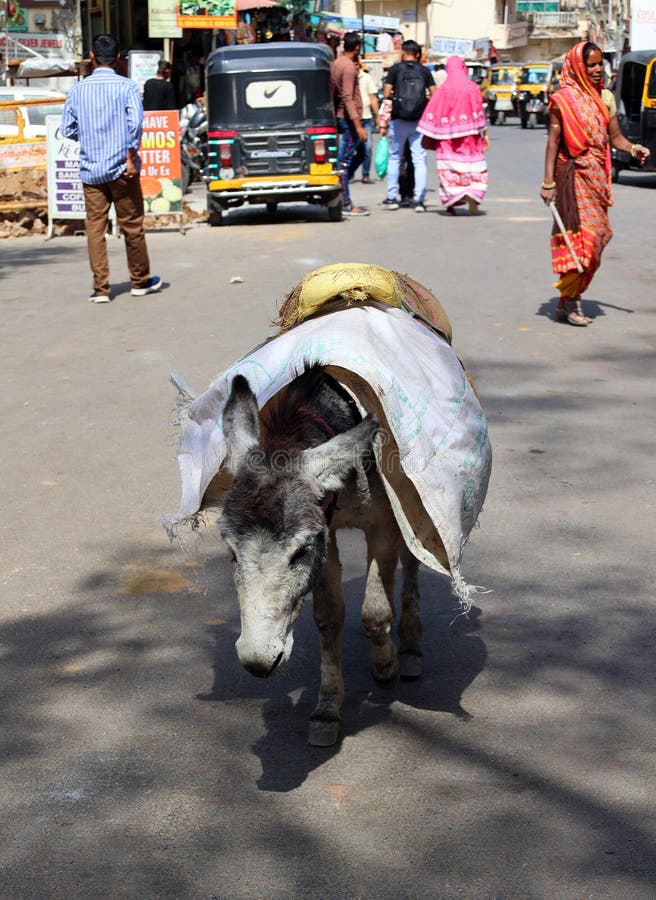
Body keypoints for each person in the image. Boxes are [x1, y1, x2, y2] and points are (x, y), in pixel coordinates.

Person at [539, 41, 650, 326]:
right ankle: (573, 303)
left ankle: (566, 299)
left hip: (597, 179)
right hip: (573, 178)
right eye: (592, 65)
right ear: (578, 67)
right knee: (581, 241)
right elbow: (553, 143)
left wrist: (634, 148)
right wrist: (548, 182)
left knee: (599, 239)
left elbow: (616, 138)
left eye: (601, 63)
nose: (599, 69)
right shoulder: (562, 100)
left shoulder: (606, 98)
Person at [61, 33, 162, 303]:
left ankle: (101, 289)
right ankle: (140, 281)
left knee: (95, 228)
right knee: (132, 225)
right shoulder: (127, 87)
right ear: (118, 59)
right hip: (122, 167)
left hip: (91, 170)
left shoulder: (78, 90)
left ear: (91, 58)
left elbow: (67, 129)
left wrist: (90, 136)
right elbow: (136, 125)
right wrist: (130, 154)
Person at [417, 55, 489, 216]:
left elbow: (433, 110)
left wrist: (430, 133)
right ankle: (472, 195)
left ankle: (451, 203)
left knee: (449, 169)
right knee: (472, 167)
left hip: (446, 139)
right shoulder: (472, 87)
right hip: (471, 138)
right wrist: (485, 132)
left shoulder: (443, 90)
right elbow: (479, 111)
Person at [379, 40, 435, 212]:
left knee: (395, 157)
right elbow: (434, 94)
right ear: (418, 55)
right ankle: (418, 200)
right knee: (419, 159)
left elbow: (387, 93)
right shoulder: (424, 71)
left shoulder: (395, 69)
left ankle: (391, 197)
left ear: (403, 53)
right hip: (419, 120)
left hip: (398, 119)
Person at [331, 31, 370, 216]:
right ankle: (345, 201)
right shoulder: (347, 67)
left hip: (344, 117)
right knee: (343, 163)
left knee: (362, 153)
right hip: (348, 119)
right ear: (357, 48)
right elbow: (347, 97)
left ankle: (343, 182)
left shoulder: (337, 63)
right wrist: (358, 126)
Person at [348, 60, 379, 184]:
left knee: (367, 148)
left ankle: (365, 175)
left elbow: (373, 98)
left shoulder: (366, 78)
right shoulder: (347, 78)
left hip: (366, 118)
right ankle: (349, 174)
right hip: (352, 119)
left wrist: (378, 116)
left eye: (356, 64)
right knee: (351, 149)